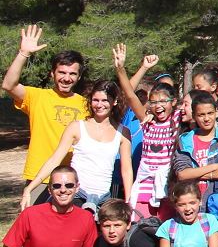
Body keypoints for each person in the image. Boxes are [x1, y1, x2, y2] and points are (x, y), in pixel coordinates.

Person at [22, 79, 134, 210]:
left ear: (114, 101)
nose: (99, 105)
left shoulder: (123, 132)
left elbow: (126, 170)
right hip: (75, 196)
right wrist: (29, 189)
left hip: (103, 199)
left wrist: (128, 201)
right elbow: (54, 161)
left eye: (105, 100)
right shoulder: (76, 127)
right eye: (95, 100)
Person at [2, 25, 86, 198]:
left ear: (79, 76)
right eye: (61, 72)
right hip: (39, 178)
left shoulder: (87, 105)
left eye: (72, 73)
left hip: (74, 181)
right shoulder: (37, 96)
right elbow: (8, 85)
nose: (66, 78)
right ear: (52, 74)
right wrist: (23, 54)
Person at [113, 44, 183, 217]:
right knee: (140, 229)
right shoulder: (147, 121)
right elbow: (129, 94)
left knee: (165, 232)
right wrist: (121, 69)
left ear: (173, 102)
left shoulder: (177, 118)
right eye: (154, 103)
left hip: (167, 188)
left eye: (163, 102)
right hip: (144, 186)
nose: (158, 107)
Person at [172, 92, 218, 203]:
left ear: (216, 113)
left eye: (210, 113)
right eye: (201, 114)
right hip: (191, 202)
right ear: (194, 116)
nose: (206, 118)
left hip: (217, 203)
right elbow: (182, 174)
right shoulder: (185, 141)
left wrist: (193, 174)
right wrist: (213, 167)